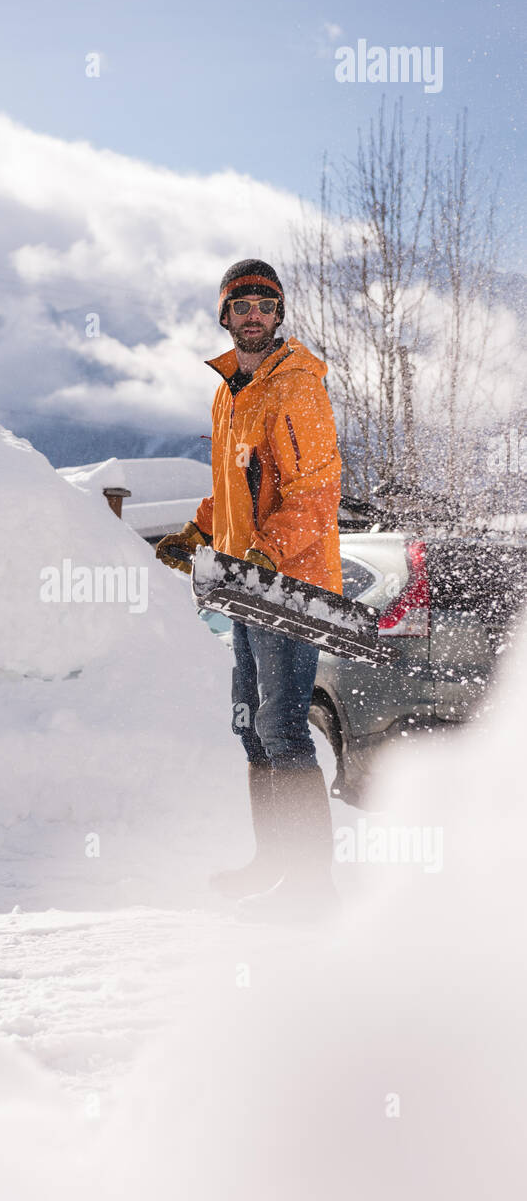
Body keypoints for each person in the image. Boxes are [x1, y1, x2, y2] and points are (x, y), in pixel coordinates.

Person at [156, 259, 343, 921]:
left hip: (286, 583)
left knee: (281, 727)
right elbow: (237, 486)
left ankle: (309, 880)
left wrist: (269, 550)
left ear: (279, 313)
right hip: (243, 583)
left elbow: (315, 492)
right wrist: (198, 531)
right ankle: (273, 863)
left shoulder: (294, 385)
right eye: (242, 304)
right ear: (224, 315)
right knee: (251, 728)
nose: (254, 314)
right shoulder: (231, 388)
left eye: (265, 303)